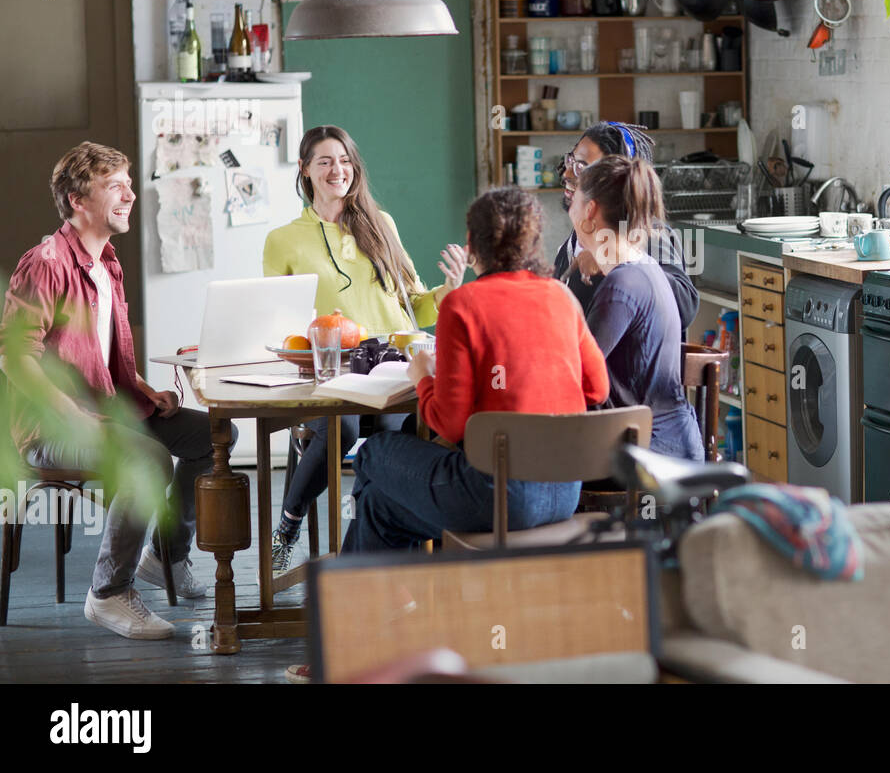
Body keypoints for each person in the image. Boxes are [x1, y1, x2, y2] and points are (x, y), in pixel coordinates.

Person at [0, 142, 225, 640]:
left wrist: (146, 389)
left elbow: (105, 358)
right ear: (78, 199)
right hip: (52, 426)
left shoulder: (108, 263)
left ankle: (165, 554)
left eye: (128, 182)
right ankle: (107, 593)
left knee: (214, 437)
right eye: (114, 185)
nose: (130, 194)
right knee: (147, 460)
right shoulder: (45, 262)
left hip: (111, 410)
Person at [341, 186, 610, 553]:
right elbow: (597, 389)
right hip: (563, 492)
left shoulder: (463, 304)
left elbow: (449, 424)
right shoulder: (560, 297)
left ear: (470, 243)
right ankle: (385, 603)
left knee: (374, 451)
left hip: (496, 497)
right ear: (533, 243)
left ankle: (358, 597)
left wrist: (423, 377)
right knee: (377, 507)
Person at [262, 125, 467, 573]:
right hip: (329, 367)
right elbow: (278, 320)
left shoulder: (381, 223)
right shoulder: (283, 240)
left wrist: (451, 288)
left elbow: (416, 305)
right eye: (325, 161)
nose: (338, 170)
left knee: (402, 430)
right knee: (346, 428)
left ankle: (388, 543)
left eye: (345, 160)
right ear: (305, 170)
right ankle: (288, 527)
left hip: (393, 361)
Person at [569, 155, 705, 461]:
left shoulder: (623, 285)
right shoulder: (639, 268)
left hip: (649, 454)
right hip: (662, 444)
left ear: (590, 210)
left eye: (574, 197)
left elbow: (573, 373)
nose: (570, 207)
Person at [554, 122, 698, 332]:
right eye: (571, 160)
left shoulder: (644, 231)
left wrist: (614, 257)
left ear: (614, 177)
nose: (567, 173)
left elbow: (685, 306)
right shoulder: (578, 238)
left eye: (581, 167)